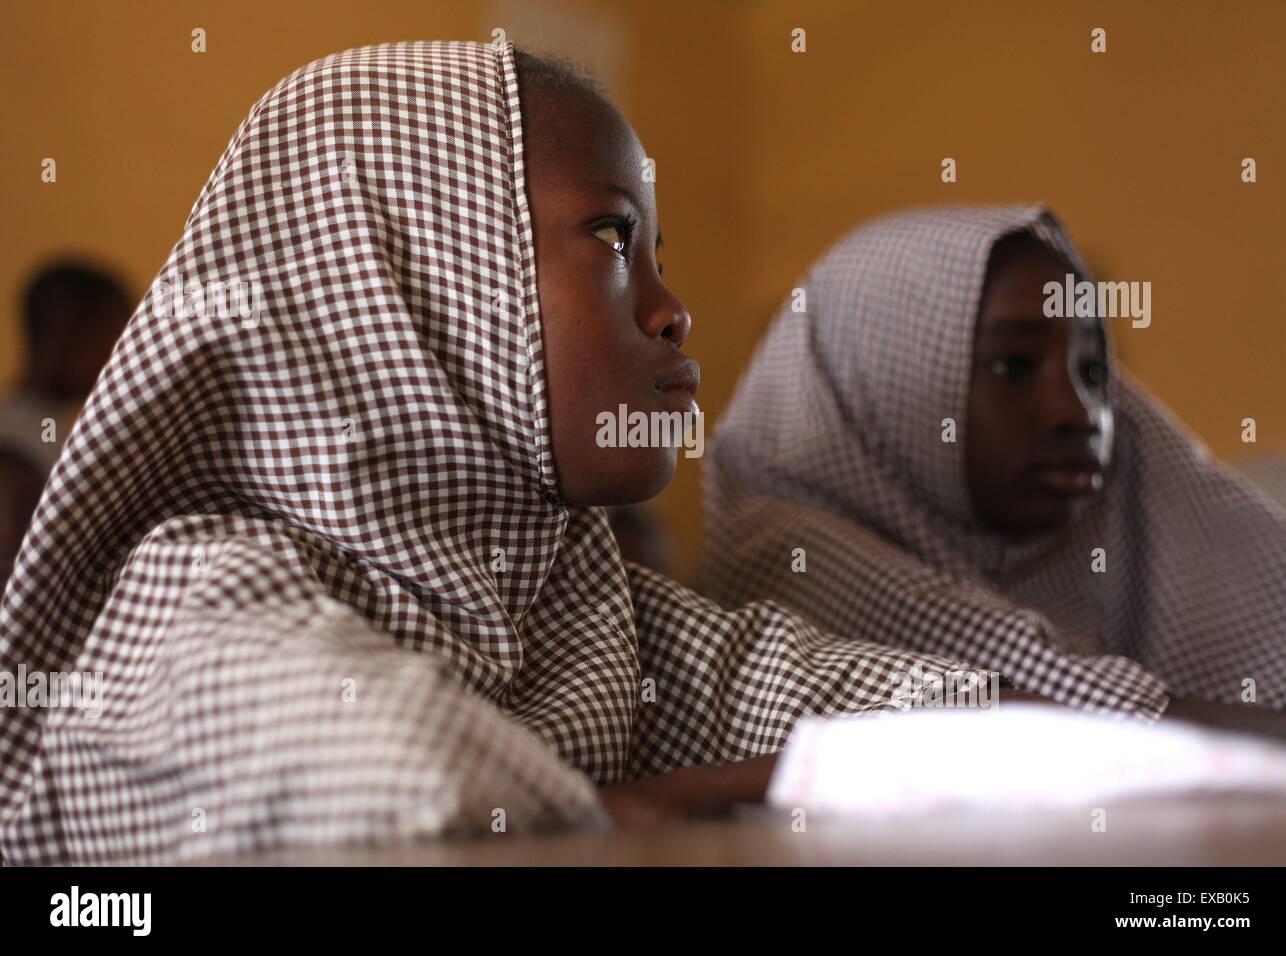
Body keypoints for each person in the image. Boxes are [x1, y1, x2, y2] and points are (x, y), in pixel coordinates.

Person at [0, 43, 1035, 865]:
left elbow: (836, 694)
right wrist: (678, 803)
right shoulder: (194, 595)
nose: (672, 311)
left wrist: (1041, 737)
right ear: (409, 289)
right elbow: (425, 787)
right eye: (615, 238)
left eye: (660, 258)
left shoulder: (573, 596)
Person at [700, 206, 1286, 738]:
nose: (1079, 412)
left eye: (1094, 373)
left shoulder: (1087, 537)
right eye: (1013, 366)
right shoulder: (785, 552)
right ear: (882, 384)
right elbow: (1072, 711)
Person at [0, 262, 130, 588]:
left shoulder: (48, 425)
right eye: (111, 338)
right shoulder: (22, 439)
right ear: (67, 338)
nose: (117, 357)